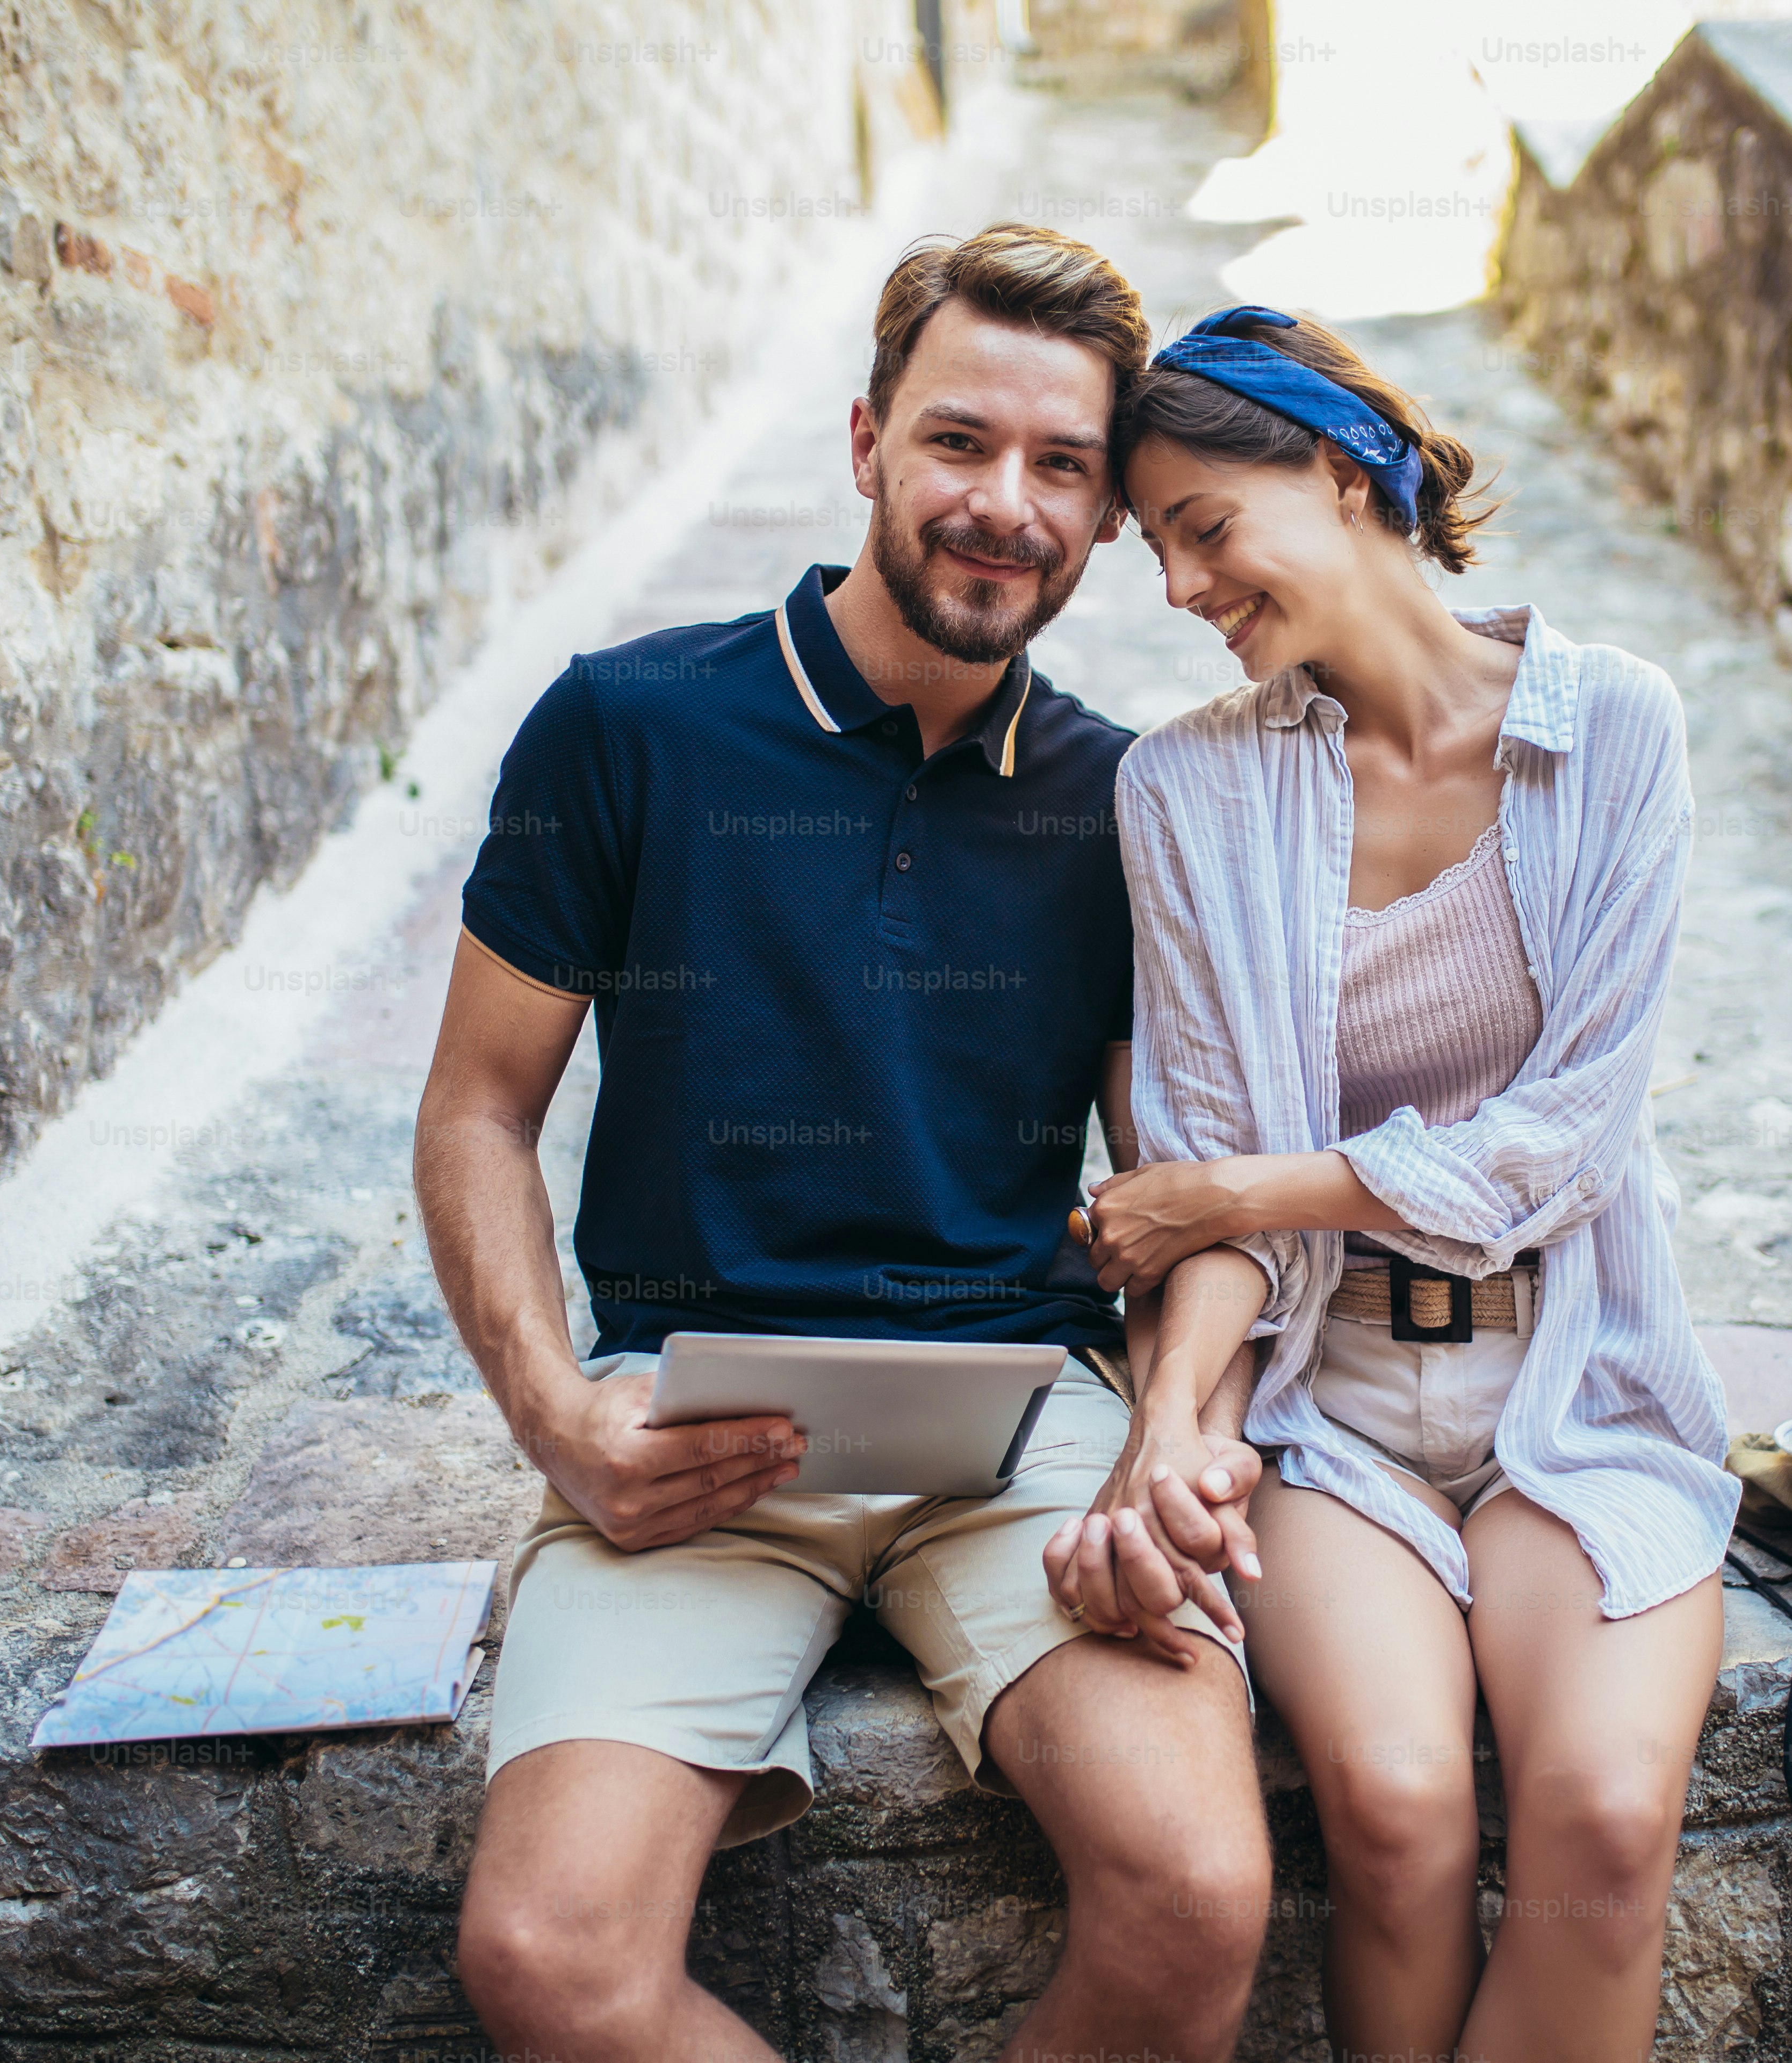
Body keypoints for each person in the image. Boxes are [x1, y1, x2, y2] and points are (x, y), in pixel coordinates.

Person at [422, 227, 1271, 2063]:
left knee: (1200, 1896)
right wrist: (553, 1411)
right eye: (961, 443)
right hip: (689, 1434)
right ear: (869, 439)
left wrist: (1175, 1430)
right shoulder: (628, 727)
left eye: (1063, 467)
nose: (1005, 506)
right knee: (551, 1963)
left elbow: (1191, 1197)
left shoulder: (1130, 797)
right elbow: (479, 1111)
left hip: (1022, 1437)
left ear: (1110, 516)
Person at [1064, 305, 1739, 2061]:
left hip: (1574, 1374)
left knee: (1595, 1825)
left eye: (1208, 527)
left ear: (1349, 469)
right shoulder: (1185, 788)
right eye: (1157, 550)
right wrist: (1172, 1421)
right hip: (1326, 1400)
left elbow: (1563, 1146)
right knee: (1397, 1811)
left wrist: (1238, 1195)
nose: (1182, 587)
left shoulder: (1615, 732)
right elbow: (1204, 1170)